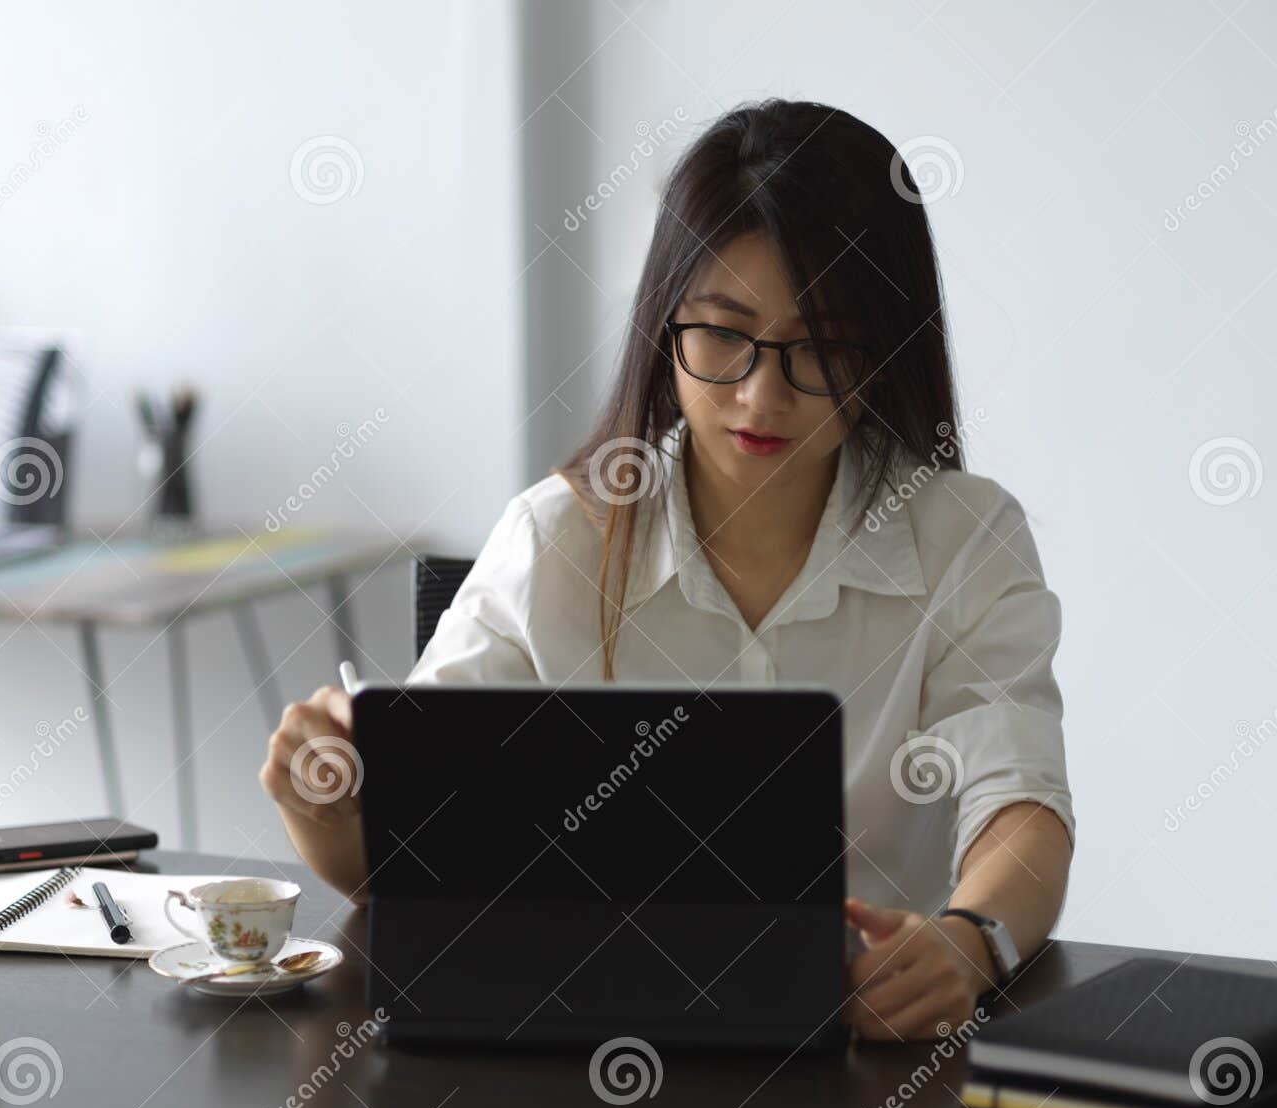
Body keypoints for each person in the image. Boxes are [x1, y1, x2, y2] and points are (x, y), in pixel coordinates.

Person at [260, 99, 1075, 1043]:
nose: (761, 393)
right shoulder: (557, 538)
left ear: (887, 348)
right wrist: (324, 809)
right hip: (577, 1068)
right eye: (723, 333)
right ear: (664, 319)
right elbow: (423, 862)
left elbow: (1025, 806)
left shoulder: (965, 540)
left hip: (868, 1063)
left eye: (822, 348)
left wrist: (967, 943)